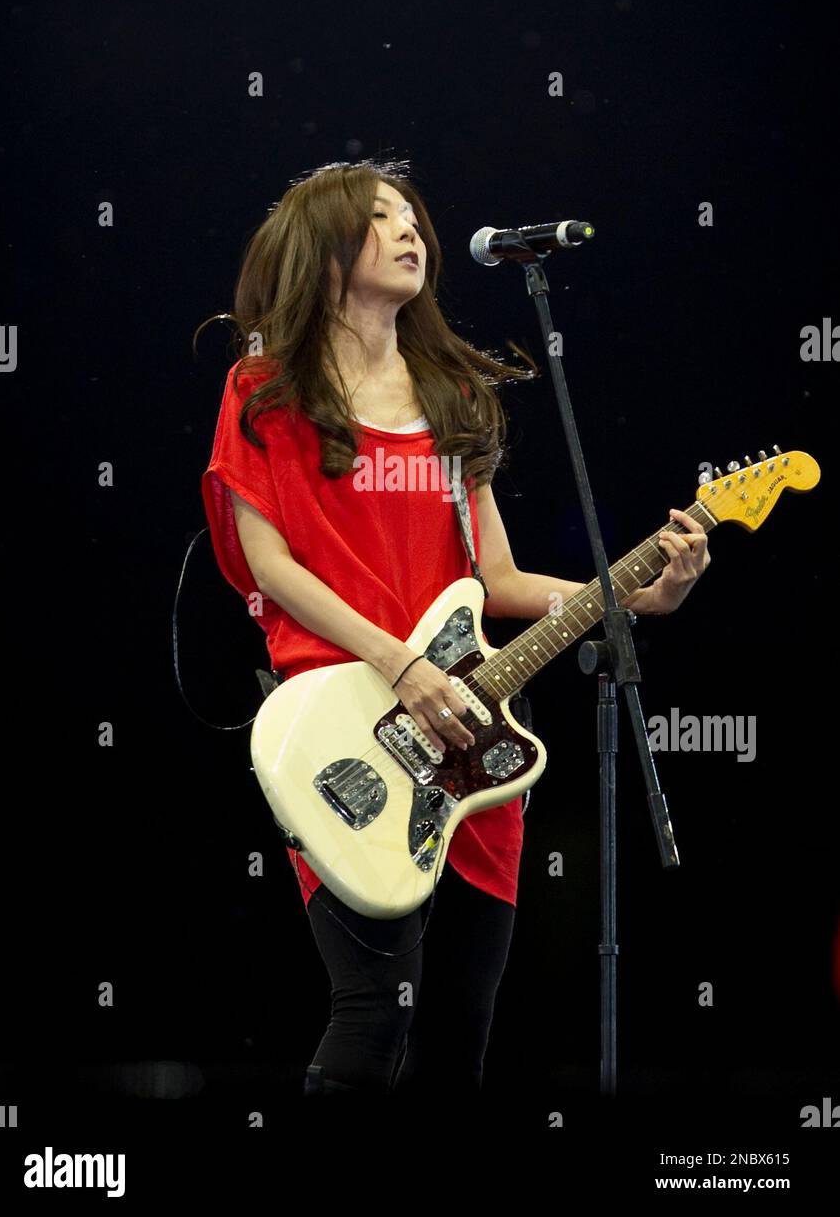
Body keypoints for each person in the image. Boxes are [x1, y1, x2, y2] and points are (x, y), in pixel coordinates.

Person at [199, 158, 710, 1105]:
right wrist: (397, 664)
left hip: (469, 741)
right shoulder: (265, 389)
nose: (411, 232)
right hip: (345, 726)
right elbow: (271, 569)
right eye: (380, 216)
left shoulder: (454, 395)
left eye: (413, 217)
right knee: (371, 1013)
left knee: (458, 1032)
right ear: (324, 246)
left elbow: (501, 581)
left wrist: (638, 595)